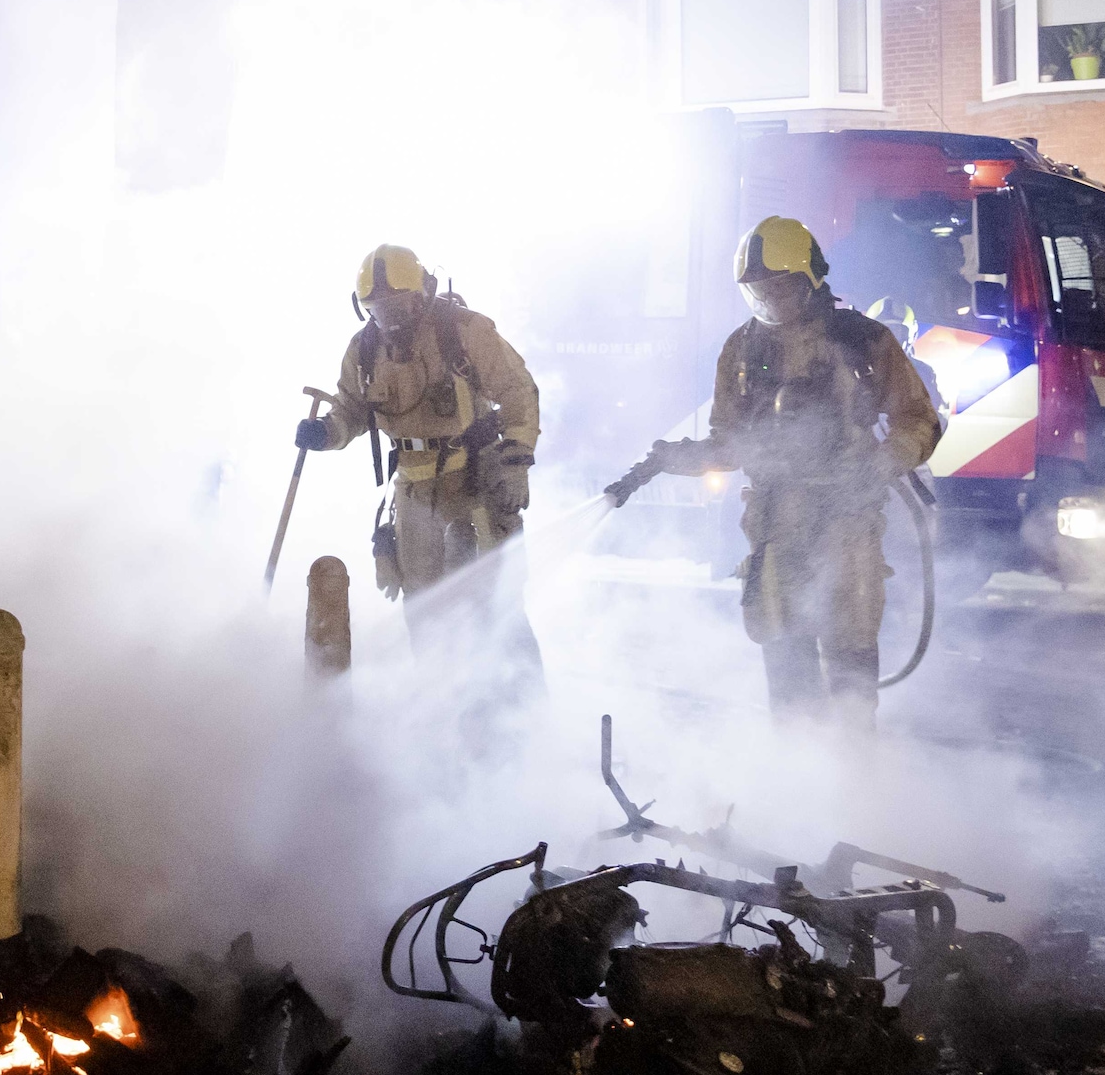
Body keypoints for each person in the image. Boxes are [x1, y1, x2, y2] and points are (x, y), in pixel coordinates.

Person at [605, 217, 941, 729]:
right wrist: (675, 458)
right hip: (775, 525)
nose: (771, 302)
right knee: (782, 645)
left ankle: (857, 775)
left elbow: (919, 420)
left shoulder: (863, 341)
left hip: (847, 519)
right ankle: (794, 774)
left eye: (781, 289)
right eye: (759, 292)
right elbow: (731, 444)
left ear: (811, 280)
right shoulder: (741, 349)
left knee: (849, 647)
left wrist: (886, 460)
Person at [294, 245, 545, 682]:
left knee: (493, 606)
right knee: (424, 609)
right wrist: (326, 433)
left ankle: (519, 719)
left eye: (399, 305)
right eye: (377, 309)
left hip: (473, 488)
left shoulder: (465, 331)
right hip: (413, 498)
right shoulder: (365, 351)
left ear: (424, 291)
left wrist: (517, 458)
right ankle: (440, 717)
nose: (389, 318)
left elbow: (519, 391)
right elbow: (351, 411)